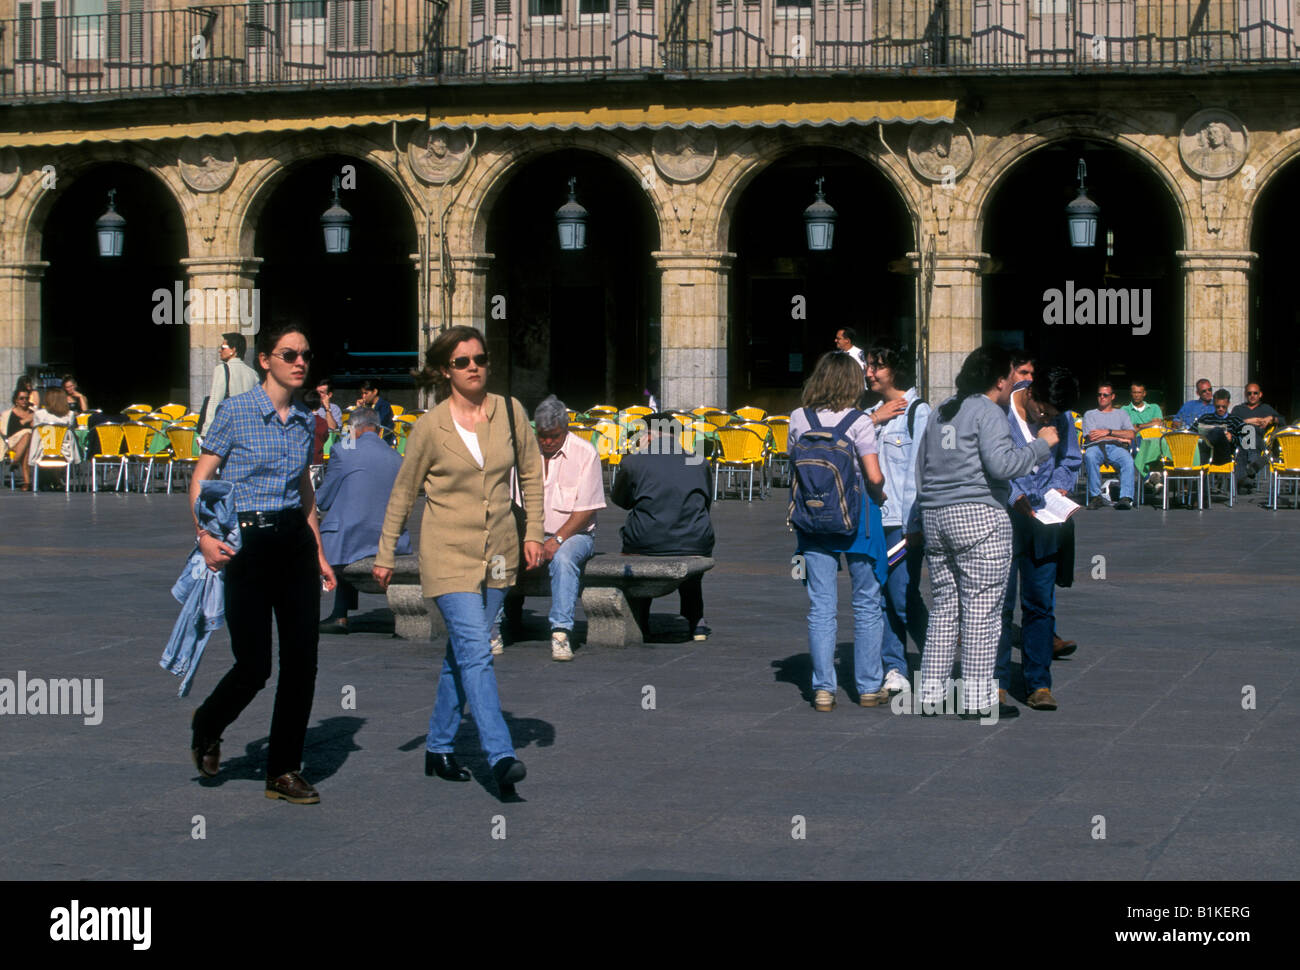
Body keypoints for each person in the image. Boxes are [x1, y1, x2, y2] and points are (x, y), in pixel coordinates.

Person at [372, 326, 542, 794]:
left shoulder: (510, 411)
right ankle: (501, 754)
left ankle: (439, 745)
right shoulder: (429, 426)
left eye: (481, 359)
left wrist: (535, 534)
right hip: (447, 552)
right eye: (463, 361)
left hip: (500, 553)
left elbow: (531, 474)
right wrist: (386, 551)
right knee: (476, 651)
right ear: (446, 369)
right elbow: (403, 492)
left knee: (462, 654)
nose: (474, 368)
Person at [187, 322, 337, 806]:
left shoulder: (304, 420)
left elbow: (304, 490)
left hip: (293, 540)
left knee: (303, 662)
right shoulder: (236, 411)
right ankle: (208, 724)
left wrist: (317, 551)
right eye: (289, 353)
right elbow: (202, 477)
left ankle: (284, 770)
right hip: (246, 544)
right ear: (267, 360)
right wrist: (205, 536)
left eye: (306, 355)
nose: (300, 362)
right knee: (253, 665)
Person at [913, 345, 1058, 720]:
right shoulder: (989, 412)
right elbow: (1003, 464)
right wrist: (1043, 446)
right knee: (983, 610)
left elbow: (921, 466)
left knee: (945, 607)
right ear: (998, 379)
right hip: (979, 515)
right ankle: (978, 698)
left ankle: (931, 692)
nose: (1018, 380)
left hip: (936, 515)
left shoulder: (942, 410)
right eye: (1013, 373)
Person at [790, 351, 891, 712]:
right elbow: (874, 476)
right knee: (866, 603)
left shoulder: (798, 418)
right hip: (858, 517)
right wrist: (881, 495)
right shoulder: (860, 421)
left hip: (814, 519)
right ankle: (867, 686)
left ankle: (823, 689)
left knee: (821, 606)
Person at [996, 367, 1081, 713]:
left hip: (1044, 519)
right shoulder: (1000, 413)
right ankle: (997, 682)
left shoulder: (1061, 419)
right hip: (1005, 517)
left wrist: (1061, 485)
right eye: (1043, 410)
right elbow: (992, 463)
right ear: (1031, 392)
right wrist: (1016, 494)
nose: (1046, 418)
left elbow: (1071, 460)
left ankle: (1039, 682)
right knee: (1000, 605)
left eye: (1054, 415)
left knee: (1040, 604)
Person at [497, 395, 605, 661]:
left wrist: (555, 540)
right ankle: (492, 626)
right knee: (497, 554)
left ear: (565, 430)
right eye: (542, 436)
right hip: (529, 531)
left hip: (573, 533)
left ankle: (560, 631)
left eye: (553, 436)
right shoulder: (524, 453)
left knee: (565, 558)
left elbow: (586, 510)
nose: (546, 442)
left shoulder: (585, 453)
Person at [610, 416, 715, 642]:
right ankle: (697, 620)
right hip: (696, 540)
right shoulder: (700, 461)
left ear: (648, 435)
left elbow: (621, 500)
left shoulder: (633, 462)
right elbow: (706, 501)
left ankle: (640, 617)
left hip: (647, 540)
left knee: (638, 549)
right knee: (689, 545)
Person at [864, 338, 929, 695]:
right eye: (869, 365)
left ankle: (936, 651)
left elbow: (922, 473)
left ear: (895, 371)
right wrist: (874, 419)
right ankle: (896, 666)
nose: (869, 372)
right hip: (875, 520)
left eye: (877, 366)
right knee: (885, 591)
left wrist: (914, 525)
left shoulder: (919, 412)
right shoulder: (872, 412)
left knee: (901, 591)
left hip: (902, 524)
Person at [316, 406, 411, 635]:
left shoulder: (342, 451)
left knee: (336, 530)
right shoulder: (396, 457)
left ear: (353, 428)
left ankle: (340, 614)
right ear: (378, 430)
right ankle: (341, 612)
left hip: (350, 538)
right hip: (390, 539)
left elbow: (324, 499)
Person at [1081, 383, 1137, 510]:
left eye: (1105, 395)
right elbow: (1092, 437)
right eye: (1099, 395)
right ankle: (1096, 496)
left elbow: (1131, 434)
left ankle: (1125, 497)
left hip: (1116, 448)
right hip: (1096, 446)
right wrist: (1119, 437)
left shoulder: (1121, 414)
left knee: (1127, 460)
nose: (1102, 397)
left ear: (1112, 396)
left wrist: (1108, 432)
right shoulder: (1090, 414)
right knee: (1090, 456)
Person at [200, 332, 259, 432]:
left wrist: (206, 430)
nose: (220, 351)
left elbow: (215, 401)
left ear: (233, 350)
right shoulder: (253, 374)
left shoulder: (222, 369)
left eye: (223, 348)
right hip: (247, 428)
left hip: (228, 428)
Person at [1230, 383, 1283, 492]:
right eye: (1249, 393)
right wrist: (1248, 421)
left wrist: (1271, 418)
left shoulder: (1266, 408)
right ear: (1245, 394)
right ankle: (1254, 467)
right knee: (1248, 431)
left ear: (1260, 394)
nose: (1252, 395)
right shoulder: (1238, 409)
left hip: (1259, 443)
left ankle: (1245, 479)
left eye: (1255, 393)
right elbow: (1230, 424)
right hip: (1241, 442)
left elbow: (1283, 421)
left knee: (1246, 447)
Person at [1121, 381, 1166, 487]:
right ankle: (1152, 478)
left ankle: (1149, 479)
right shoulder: (1124, 409)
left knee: (1162, 445)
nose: (1137, 395)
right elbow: (1126, 428)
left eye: (1139, 392)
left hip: (1155, 439)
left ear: (1144, 393)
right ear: (1131, 393)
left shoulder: (1154, 407)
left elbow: (1158, 423)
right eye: (1134, 392)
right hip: (1137, 440)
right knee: (1137, 446)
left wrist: (1139, 426)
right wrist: (1148, 424)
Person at [1190, 389, 1245, 466]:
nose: (1220, 409)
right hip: (1207, 454)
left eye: (1223, 407)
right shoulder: (1205, 418)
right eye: (1217, 406)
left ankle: (1206, 444)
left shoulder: (1235, 421)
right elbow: (1191, 433)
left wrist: (1232, 438)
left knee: (1218, 431)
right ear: (1214, 404)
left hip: (1224, 455)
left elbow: (1245, 442)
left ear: (1228, 404)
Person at [2, 387, 36, 489]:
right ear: (16, 400)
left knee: (27, 438)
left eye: (26, 398)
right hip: (12, 443)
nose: (24, 401)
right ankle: (27, 481)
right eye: (21, 398)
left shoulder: (33, 413)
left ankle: (16, 463)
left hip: (29, 444)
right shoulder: (8, 414)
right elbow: (3, 431)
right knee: (27, 435)